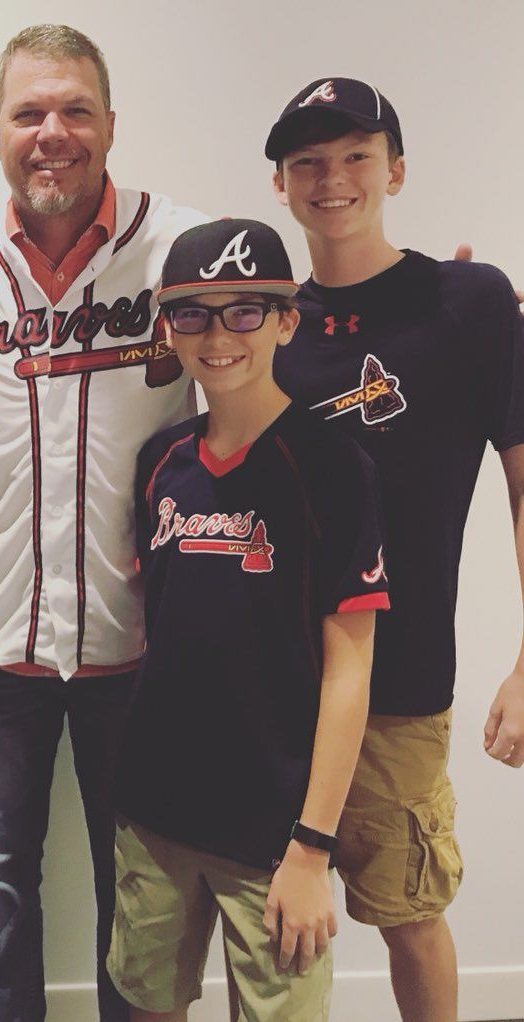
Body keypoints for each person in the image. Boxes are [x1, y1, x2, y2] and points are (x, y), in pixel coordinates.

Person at [0, 24, 207, 1022]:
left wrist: (424, 326)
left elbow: (284, 363)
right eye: (30, 112)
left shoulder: (183, 248)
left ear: (110, 124)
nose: (54, 132)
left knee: (140, 895)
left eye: (76, 110)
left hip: (139, 641)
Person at [267, 77, 524, 1022]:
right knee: (279, 922)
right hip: (273, 684)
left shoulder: (470, 300)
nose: (331, 180)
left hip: (401, 686)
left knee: (410, 912)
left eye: (355, 158)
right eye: (308, 164)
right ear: (282, 187)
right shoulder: (263, 323)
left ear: (396, 171)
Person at [108, 217, 388, 1022]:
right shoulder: (159, 463)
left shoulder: (334, 466)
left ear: (287, 319)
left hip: (275, 834)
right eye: (193, 312)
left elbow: (350, 671)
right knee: (147, 1002)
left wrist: (312, 846)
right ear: (169, 327)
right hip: (157, 810)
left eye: (245, 311)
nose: (218, 334)